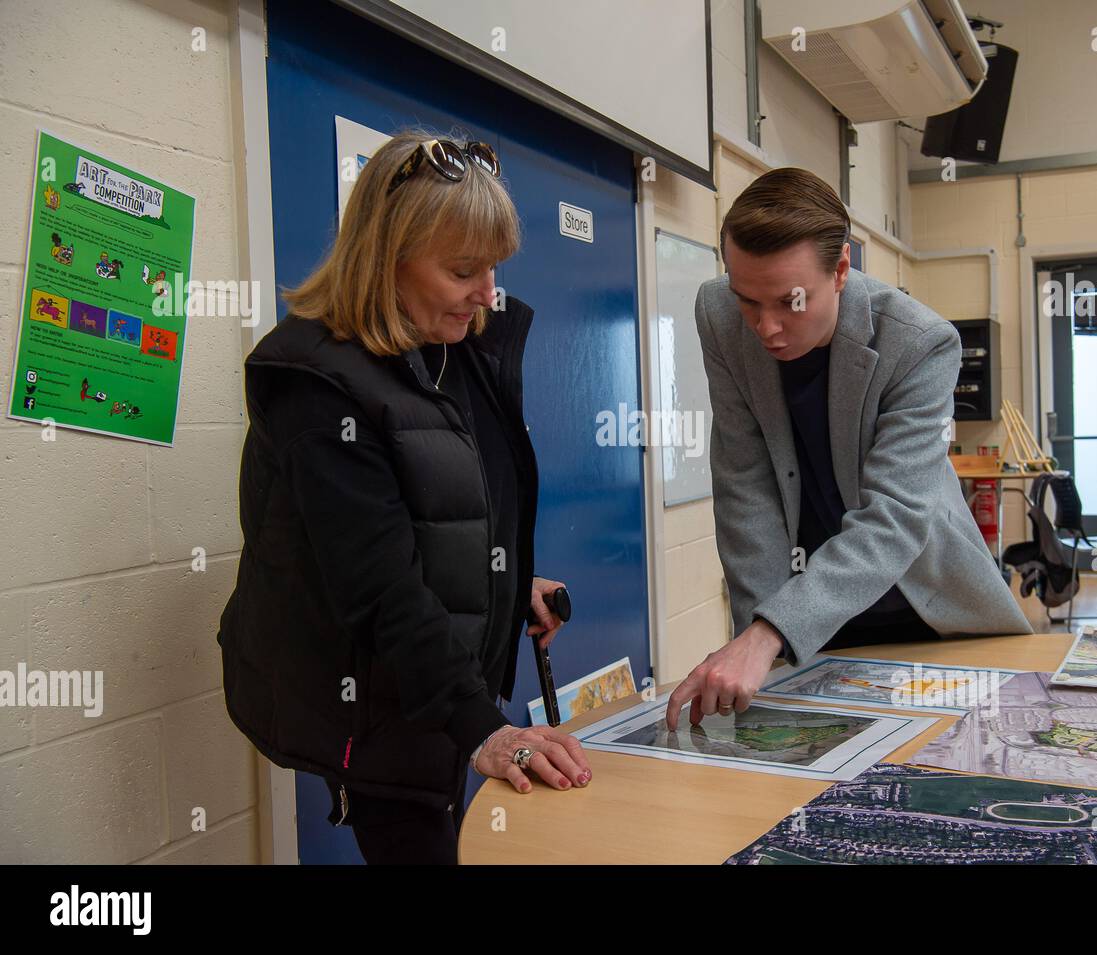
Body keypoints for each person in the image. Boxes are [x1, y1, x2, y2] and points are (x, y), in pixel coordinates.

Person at [218, 131, 591, 864]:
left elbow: (453, 513)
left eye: (493, 269)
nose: (488, 294)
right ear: (387, 256)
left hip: (439, 684)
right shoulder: (317, 385)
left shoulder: (456, 344)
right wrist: (486, 727)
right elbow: (381, 585)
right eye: (462, 270)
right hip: (373, 695)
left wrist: (511, 586)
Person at [666, 167, 1031, 730]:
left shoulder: (918, 342)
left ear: (840, 272)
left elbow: (895, 518)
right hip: (806, 622)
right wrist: (760, 643)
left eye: (789, 302)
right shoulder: (717, 314)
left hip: (927, 612)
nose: (765, 327)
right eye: (748, 302)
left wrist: (769, 634)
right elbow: (746, 486)